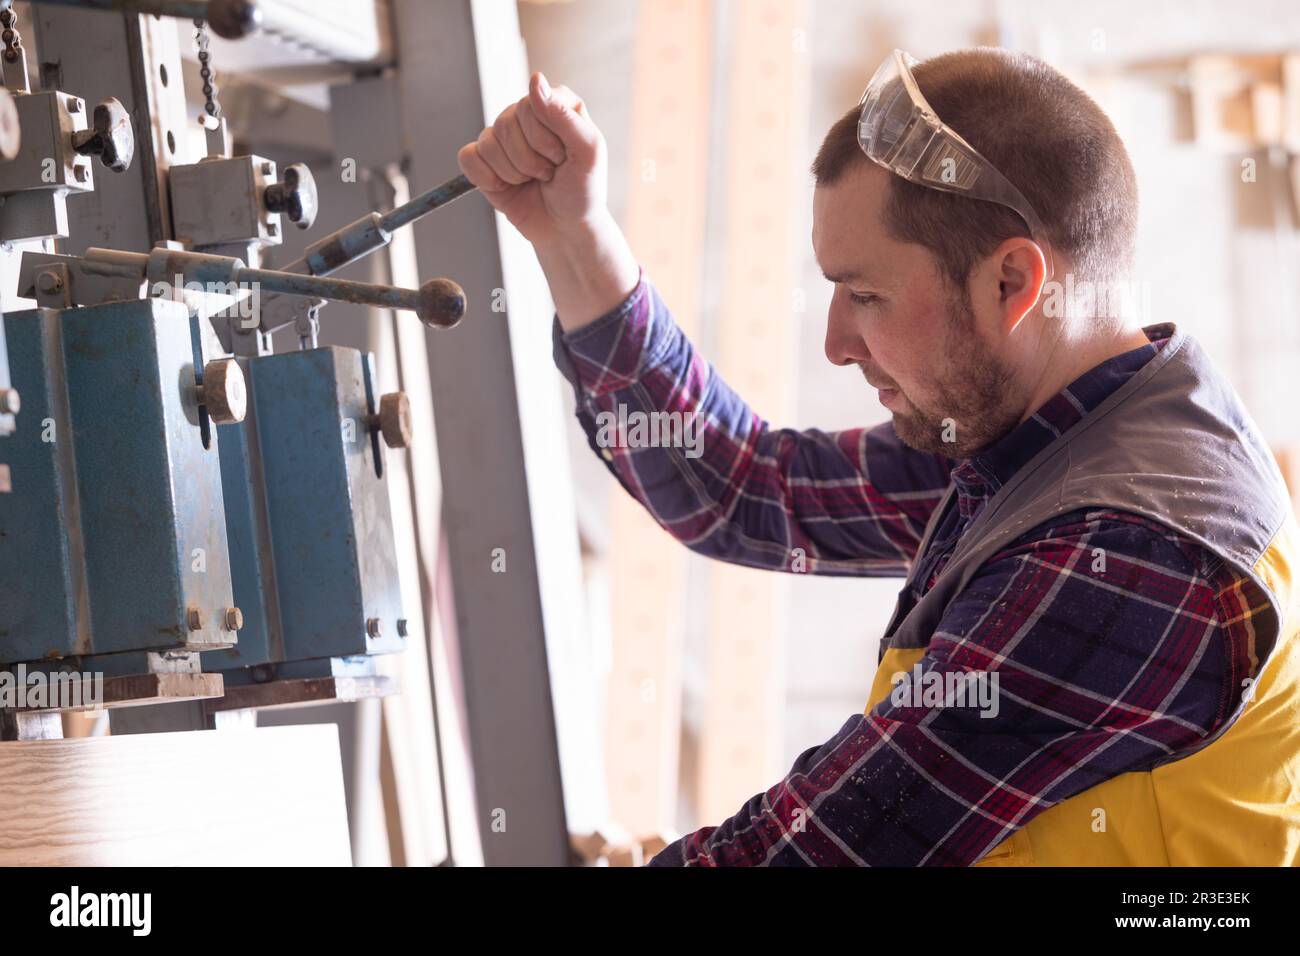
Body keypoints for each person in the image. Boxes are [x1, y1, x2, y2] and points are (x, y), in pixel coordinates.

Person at [457, 49, 1300, 866]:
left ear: (1012, 282)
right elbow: (745, 489)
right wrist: (573, 235)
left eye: (865, 295)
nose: (835, 342)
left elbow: (825, 851)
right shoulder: (1047, 433)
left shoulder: (1131, 559)